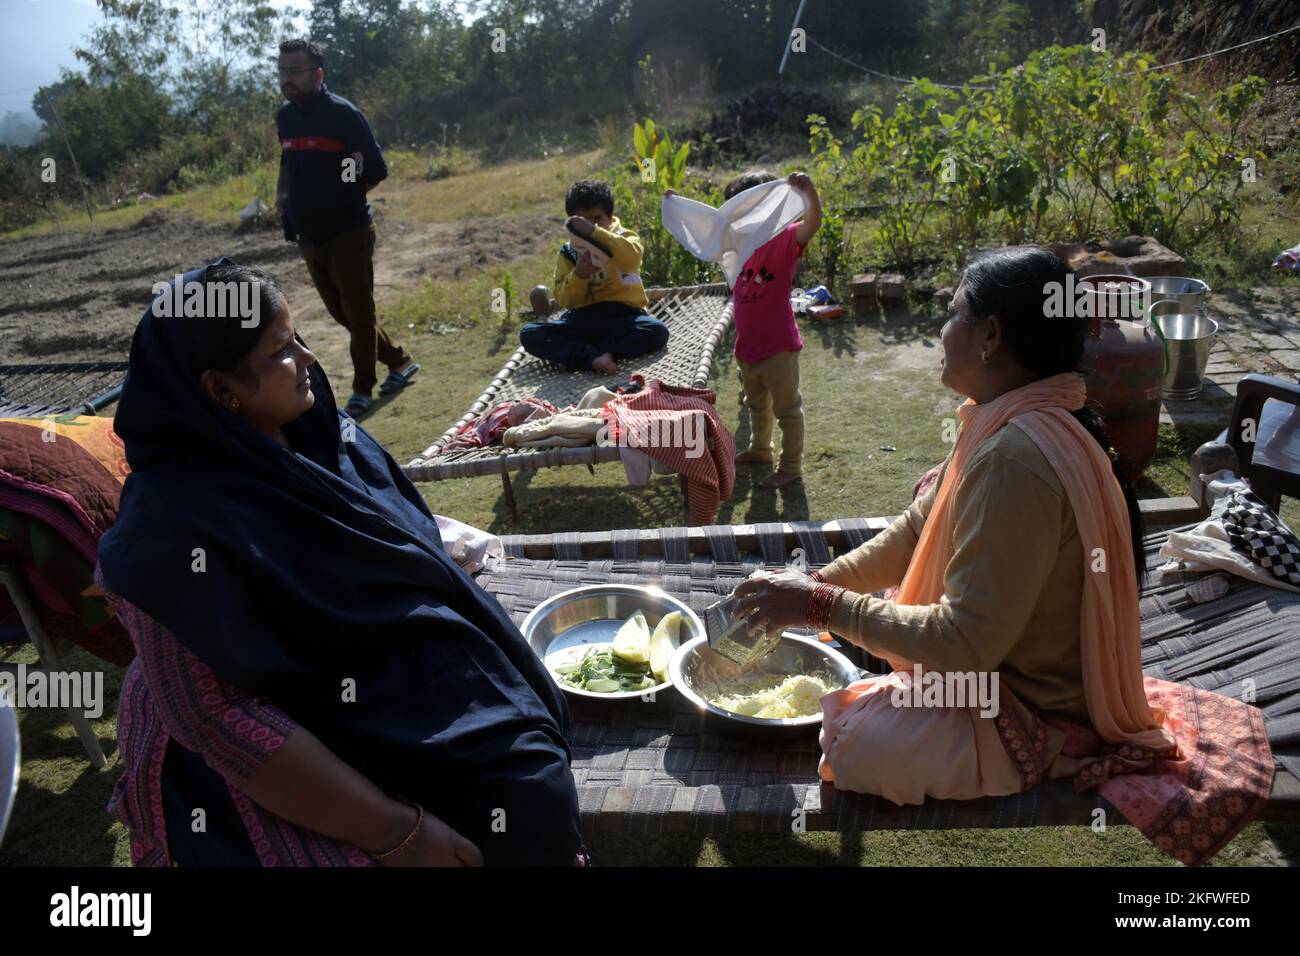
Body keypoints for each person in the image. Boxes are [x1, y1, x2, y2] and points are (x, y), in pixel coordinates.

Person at [98, 260, 583, 866]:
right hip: (310, 720)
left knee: (528, 772)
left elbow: (403, 546)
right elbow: (214, 713)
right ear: (220, 389)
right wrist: (396, 832)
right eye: (281, 350)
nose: (307, 359)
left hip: (391, 667)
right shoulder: (171, 528)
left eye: (298, 338)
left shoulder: (320, 436)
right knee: (522, 796)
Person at [275, 38, 418, 419]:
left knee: (359, 310)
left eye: (295, 71)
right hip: (309, 235)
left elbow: (375, 169)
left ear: (317, 73)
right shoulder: (285, 117)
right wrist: (282, 198)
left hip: (348, 231)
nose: (287, 78)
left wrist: (345, 199)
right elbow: (287, 162)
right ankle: (401, 362)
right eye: (282, 70)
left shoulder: (343, 115)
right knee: (344, 314)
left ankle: (361, 389)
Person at [721, 170, 821, 490]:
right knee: (756, 405)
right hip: (747, 348)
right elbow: (705, 231)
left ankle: (790, 467)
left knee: (787, 411)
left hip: (778, 347)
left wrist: (809, 193)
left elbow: (812, 225)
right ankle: (760, 450)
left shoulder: (784, 239)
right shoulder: (736, 246)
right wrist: (677, 206)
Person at [521, 179, 668, 373]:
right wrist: (579, 275)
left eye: (597, 219)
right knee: (530, 334)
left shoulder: (625, 239)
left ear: (610, 216)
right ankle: (593, 357)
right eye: (582, 222)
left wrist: (594, 233)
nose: (590, 226)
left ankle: (587, 355)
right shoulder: (568, 252)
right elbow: (565, 300)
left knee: (656, 332)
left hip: (624, 318)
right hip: (581, 320)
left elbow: (632, 260)